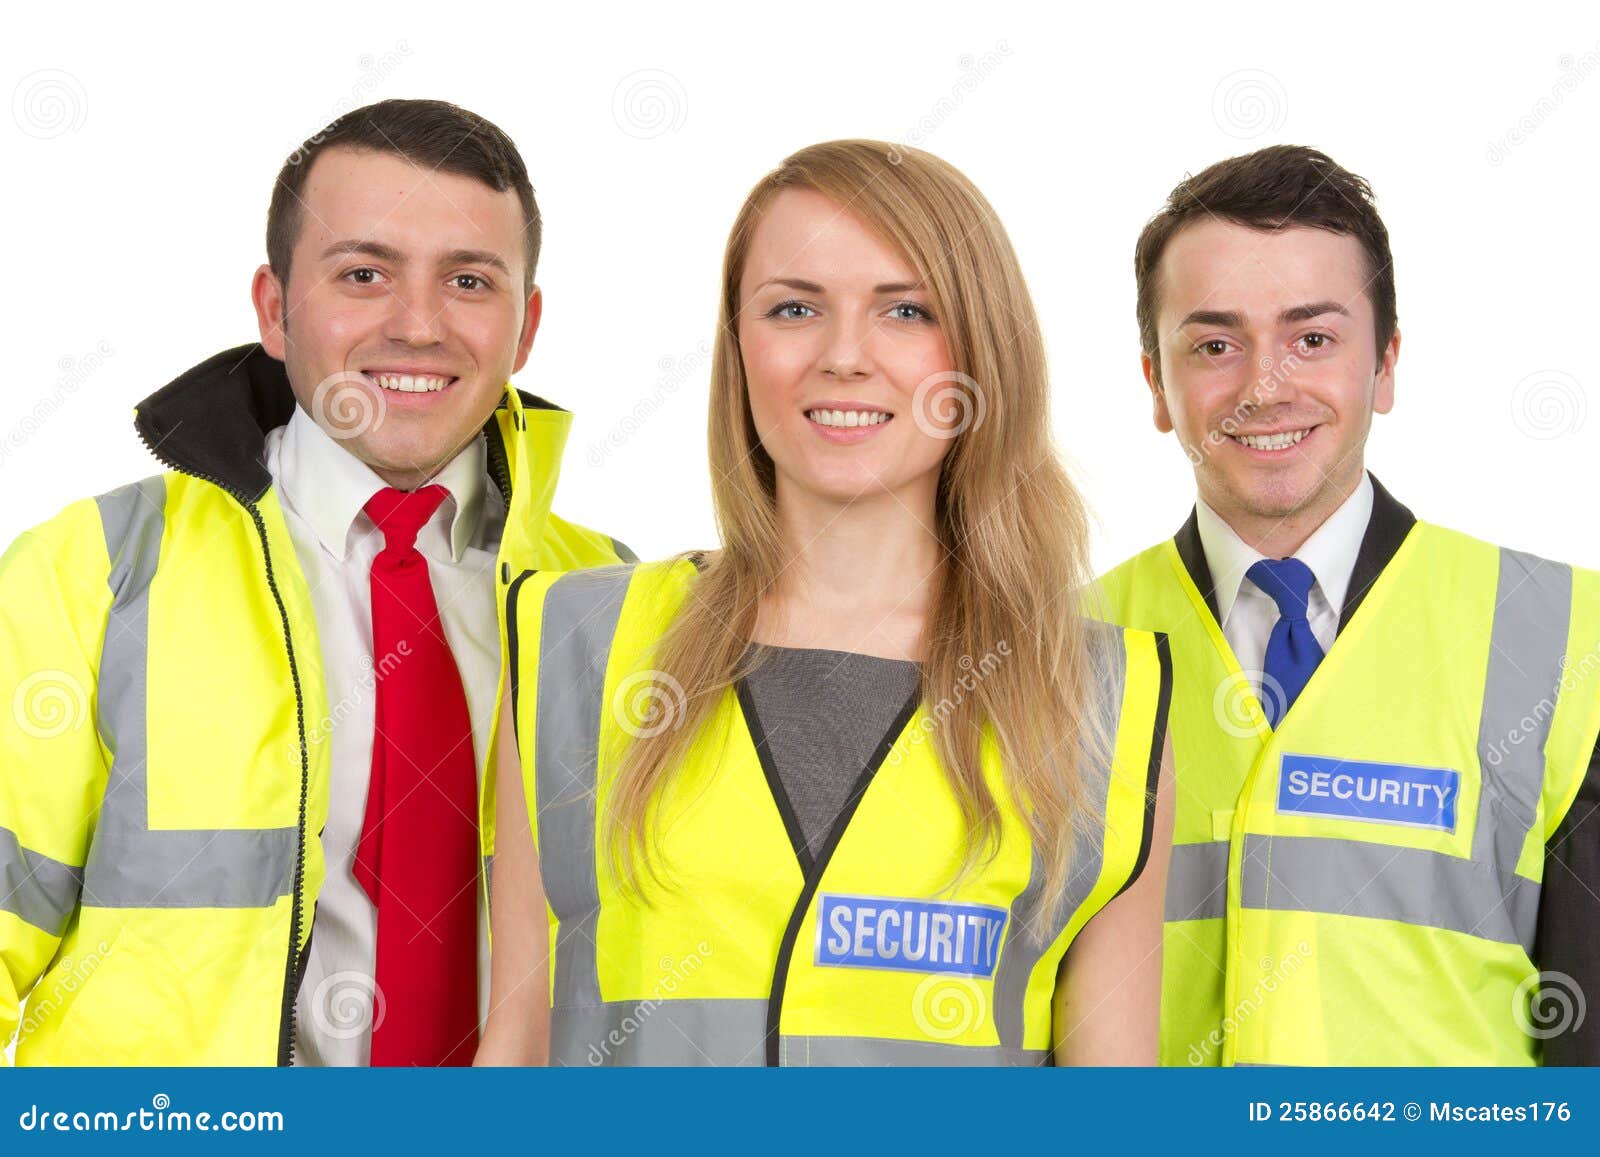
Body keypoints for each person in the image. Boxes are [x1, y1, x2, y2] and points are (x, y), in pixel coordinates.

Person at [475, 140, 1175, 1067]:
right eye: (794, 308)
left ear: (980, 353)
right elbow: (515, 1049)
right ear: (738, 345)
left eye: (906, 310)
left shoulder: (1097, 700)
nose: (844, 356)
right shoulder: (578, 644)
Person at [0, 99, 631, 1066]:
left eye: (468, 280)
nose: (417, 325)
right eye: (363, 274)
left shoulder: (614, 599)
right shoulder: (92, 569)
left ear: (526, 324)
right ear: (274, 309)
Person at [1094, 144, 1600, 1065]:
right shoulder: (1061, 646)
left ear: (1387, 364)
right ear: (1155, 387)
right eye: (1214, 343)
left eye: (1313, 338)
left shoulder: (1570, 638)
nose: (1264, 386)